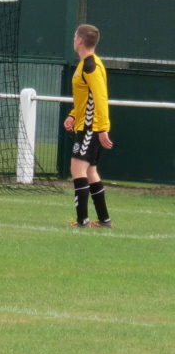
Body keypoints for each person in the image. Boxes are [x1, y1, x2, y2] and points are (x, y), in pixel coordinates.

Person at [65, 24, 114, 228]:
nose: (74, 39)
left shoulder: (91, 65)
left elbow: (100, 97)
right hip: (86, 125)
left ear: (80, 40)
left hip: (90, 128)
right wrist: (73, 114)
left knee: (77, 169)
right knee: (91, 171)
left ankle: (82, 220)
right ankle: (104, 220)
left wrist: (103, 127)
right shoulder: (85, 64)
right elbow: (86, 98)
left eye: (75, 36)